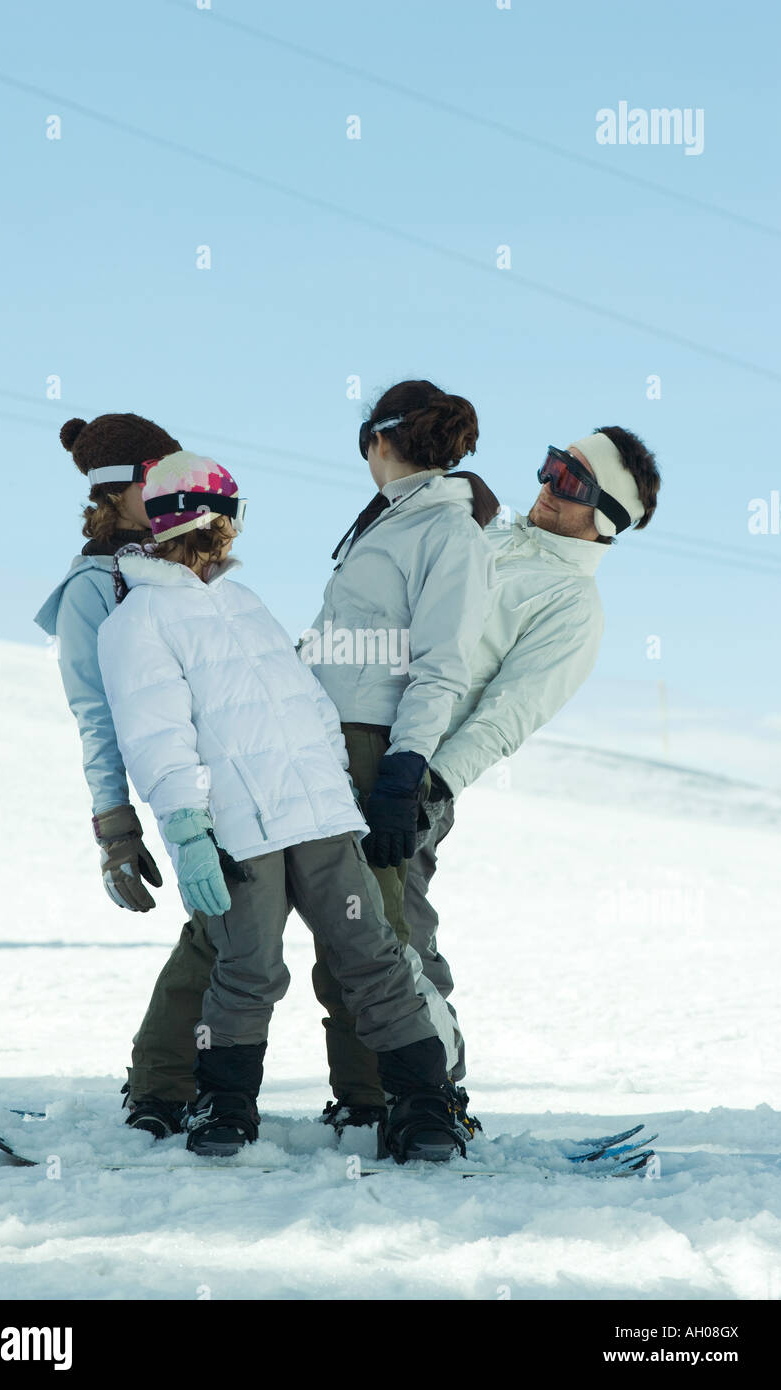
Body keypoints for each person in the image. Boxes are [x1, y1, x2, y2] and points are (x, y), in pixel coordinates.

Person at [95, 449, 467, 1163]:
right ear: (211, 520)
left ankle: (422, 1105)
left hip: (319, 818)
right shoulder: (138, 621)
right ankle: (225, 1105)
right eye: (230, 515)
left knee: (373, 957)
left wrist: (333, 781)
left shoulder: (241, 601)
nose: (235, 532)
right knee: (248, 969)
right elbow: (156, 737)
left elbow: (305, 704)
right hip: (241, 829)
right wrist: (187, 827)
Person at [393, 428, 663, 1093]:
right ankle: (176, 1082)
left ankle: (436, 1088)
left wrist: (431, 786)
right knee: (251, 923)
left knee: (391, 932)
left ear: (604, 517)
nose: (546, 485)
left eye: (570, 481)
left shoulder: (571, 605)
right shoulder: (486, 536)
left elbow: (506, 715)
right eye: (550, 466)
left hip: (411, 775)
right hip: (347, 739)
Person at [300, 380, 501, 1136]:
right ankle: (364, 1097)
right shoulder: (390, 523)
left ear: (378, 440)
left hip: (377, 747)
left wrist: (401, 772)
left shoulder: (447, 533)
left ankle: (426, 1095)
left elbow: (442, 664)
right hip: (328, 742)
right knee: (342, 929)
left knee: (377, 934)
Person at [35, 413, 223, 1136]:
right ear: (115, 492)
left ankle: (197, 1082)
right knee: (225, 927)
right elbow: (96, 713)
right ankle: (163, 1087)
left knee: (245, 931)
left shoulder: (193, 560)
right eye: (159, 482)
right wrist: (115, 828)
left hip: (246, 774)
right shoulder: (95, 589)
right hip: (184, 785)